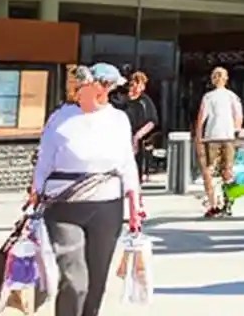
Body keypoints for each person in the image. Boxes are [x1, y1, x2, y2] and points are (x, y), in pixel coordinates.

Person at [34, 64, 142, 316]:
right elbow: (44, 159)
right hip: (63, 204)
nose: (105, 91)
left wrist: (135, 204)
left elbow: (127, 163)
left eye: (109, 86)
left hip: (107, 204)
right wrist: (36, 191)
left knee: (97, 279)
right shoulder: (60, 117)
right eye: (101, 84)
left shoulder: (118, 119)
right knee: (74, 279)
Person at [194, 67, 243, 218]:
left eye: (220, 75)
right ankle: (220, 202)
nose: (218, 78)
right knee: (219, 171)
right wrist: (235, 131)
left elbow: (202, 117)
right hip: (219, 137)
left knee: (218, 171)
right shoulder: (219, 96)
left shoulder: (221, 96)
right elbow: (238, 115)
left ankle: (220, 203)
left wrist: (198, 136)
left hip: (219, 136)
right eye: (217, 75)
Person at [120, 72, 159, 184]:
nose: (140, 87)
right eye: (136, 84)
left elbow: (152, 121)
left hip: (136, 138)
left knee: (135, 170)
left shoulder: (145, 101)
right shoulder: (121, 99)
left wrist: (137, 136)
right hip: (121, 136)